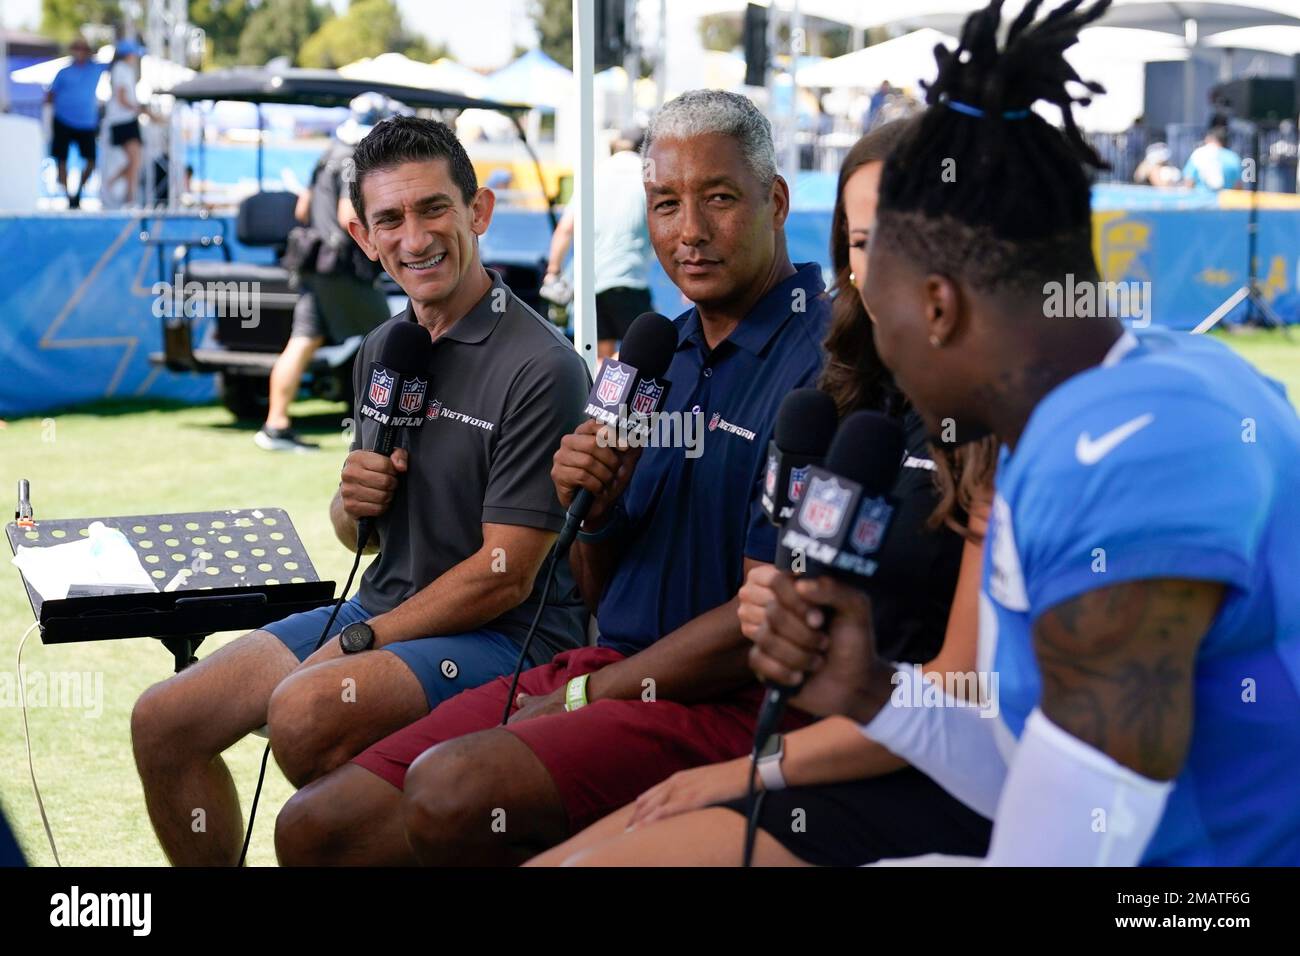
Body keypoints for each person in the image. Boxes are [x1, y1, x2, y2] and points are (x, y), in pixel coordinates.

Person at [747, 0, 1300, 866]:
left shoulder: (1142, 441)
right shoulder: (1058, 423)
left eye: (879, 309)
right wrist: (872, 690)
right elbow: (1037, 777)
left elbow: (1079, 830)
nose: (875, 345)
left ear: (937, 307)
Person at [272, 89, 833, 866]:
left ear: (775, 200)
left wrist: (585, 697)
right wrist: (595, 512)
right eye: (665, 204)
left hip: (732, 706)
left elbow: (767, 620)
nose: (690, 231)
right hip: (612, 669)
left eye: (720, 199)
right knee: (315, 829)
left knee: (451, 790)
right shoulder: (652, 356)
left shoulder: (828, 367)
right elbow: (602, 591)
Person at [529, 121, 1000, 868]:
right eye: (864, 241)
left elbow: (962, 696)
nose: (887, 275)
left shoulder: (1013, 431)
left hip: (939, 782)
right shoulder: (855, 397)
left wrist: (750, 768)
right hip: (830, 744)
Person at [130, 116, 592, 866]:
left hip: (508, 639)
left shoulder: (543, 365)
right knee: (164, 719)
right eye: (390, 219)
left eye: (433, 209)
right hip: (383, 606)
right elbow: (360, 536)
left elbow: (508, 577)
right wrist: (353, 501)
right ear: (365, 236)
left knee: (308, 717)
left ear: (477, 212)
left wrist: (359, 642)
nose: (414, 238)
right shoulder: (385, 346)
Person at [255, 94, 397, 452]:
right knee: (394, 337)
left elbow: (303, 209)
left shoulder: (325, 155)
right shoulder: (354, 158)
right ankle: (390, 432)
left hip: (312, 263)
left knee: (301, 342)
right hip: (340, 266)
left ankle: (276, 426)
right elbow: (347, 215)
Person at [543, 126, 652, 360]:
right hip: (628, 280)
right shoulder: (648, 176)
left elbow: (565, 229)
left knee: (598, 356)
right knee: (652, 351)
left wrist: (553, 271)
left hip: (589, 284)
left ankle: (601, 390)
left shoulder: (594, 174)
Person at [45, 36, 105, 209]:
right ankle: (67, 196)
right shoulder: (63, 72)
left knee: (91, 161)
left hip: (86, 123)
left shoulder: (95, 69)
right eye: (76, 48)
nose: (79, 52)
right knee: (61, 160)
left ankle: (78, 192)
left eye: (82, 49)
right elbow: (50, 96)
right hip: (63, 121)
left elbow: (111, 59)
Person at [103, 38, 149, 207]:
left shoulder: (120, 69)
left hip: (123, 120)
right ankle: (128, 197)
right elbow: (122, 98)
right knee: (135, 160)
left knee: (134, 160)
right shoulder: (122, 70)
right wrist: (140, 109)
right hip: (124, 120)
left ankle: (124, 192)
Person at [1182, 126, 1242, 191]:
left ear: (1209, 139)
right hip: (1225, 199)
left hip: (1201, 199)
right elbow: (1238, 187)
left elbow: (1189, 182)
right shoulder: (1234, 158)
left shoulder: (1199, 154)